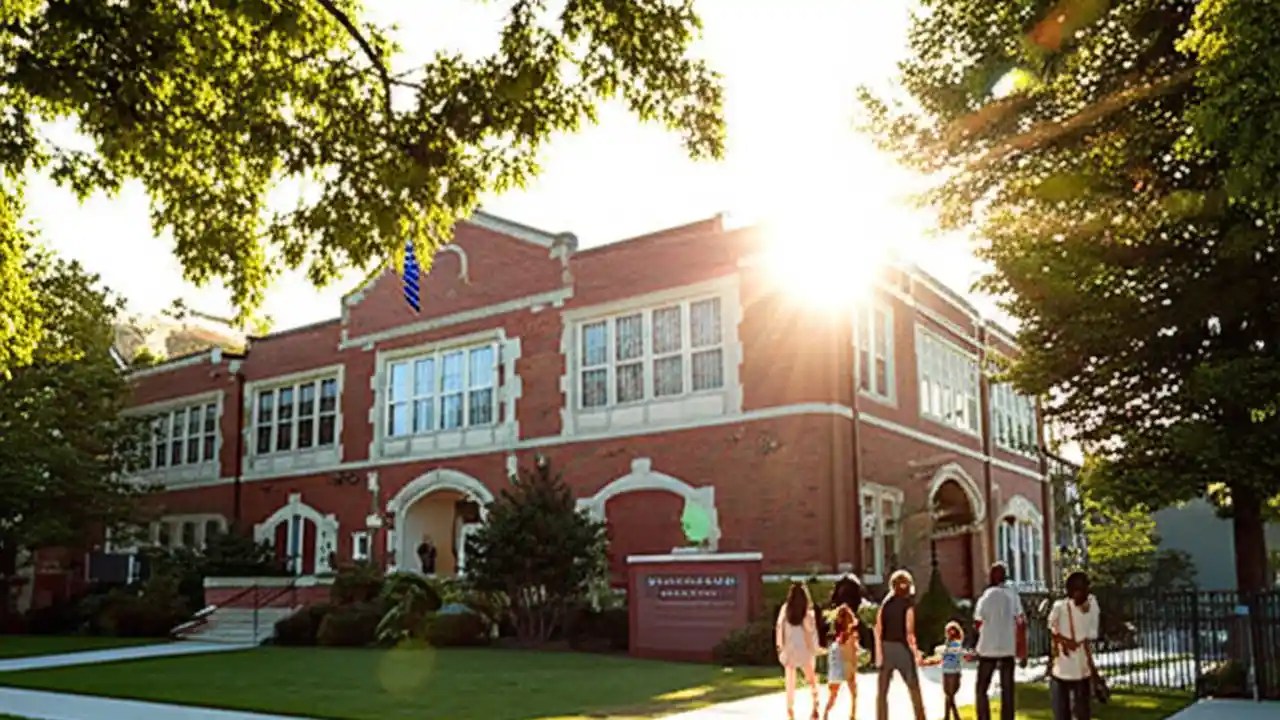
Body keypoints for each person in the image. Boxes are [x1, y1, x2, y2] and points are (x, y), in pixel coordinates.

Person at [875, 569, 926, 720]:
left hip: (886, 647)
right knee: (913, 687)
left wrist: (879, 654)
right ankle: (920, 717)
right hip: (902, 649)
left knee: (882, 691)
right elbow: (909, 632)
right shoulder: (908, 604)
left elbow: (878, 628)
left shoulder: (885, 604)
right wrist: (917, 653)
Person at [974, 563, 1023, 720]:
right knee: (1007, 690)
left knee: (982, 688)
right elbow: (1020, 620)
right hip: (1007, 647)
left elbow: (978, 620)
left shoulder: (986, 596)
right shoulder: (1013, 595)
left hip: (988, 647)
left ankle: (984, 717)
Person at [1048, 571, 1100, 720]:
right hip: (1062, 669)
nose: (1080, 594)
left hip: (1081, 669)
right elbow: (1052, 630)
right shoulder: (1060, 607)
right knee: (1063, 712)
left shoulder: (1092, 604)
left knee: (1082, 711)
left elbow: (1089, 636)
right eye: (1077, 590)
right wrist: (1065, 642)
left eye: (1082, 589)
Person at [776, 582, 821, 720]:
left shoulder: (785, 610)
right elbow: (811, 633)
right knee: (811, 679)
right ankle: (815, 704)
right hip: (804, 651)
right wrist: (815, 649)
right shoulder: (807, 614)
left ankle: (790, 709)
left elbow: (779, 628)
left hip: (789, 649)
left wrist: (780, 646)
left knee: (790, 681)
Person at [821, 604, 859, 720]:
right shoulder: (851, 636)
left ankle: (825, 714)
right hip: (847, 665)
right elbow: (851, 655)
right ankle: (852, 715)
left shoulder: (837, 640)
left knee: (833, 696)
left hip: (835, 667)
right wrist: (854, 665)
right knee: (853, 693)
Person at [939, 621, 966, 720]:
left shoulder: (957, 644)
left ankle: (952, 716)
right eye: (949, 630)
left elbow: (958, 654)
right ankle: (950, 717)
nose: (951, 633)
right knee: (948, 695)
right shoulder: (947, 644)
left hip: (954, 672)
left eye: (953, 630)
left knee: (950, 695)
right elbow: (942, 656)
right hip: (946, 671)